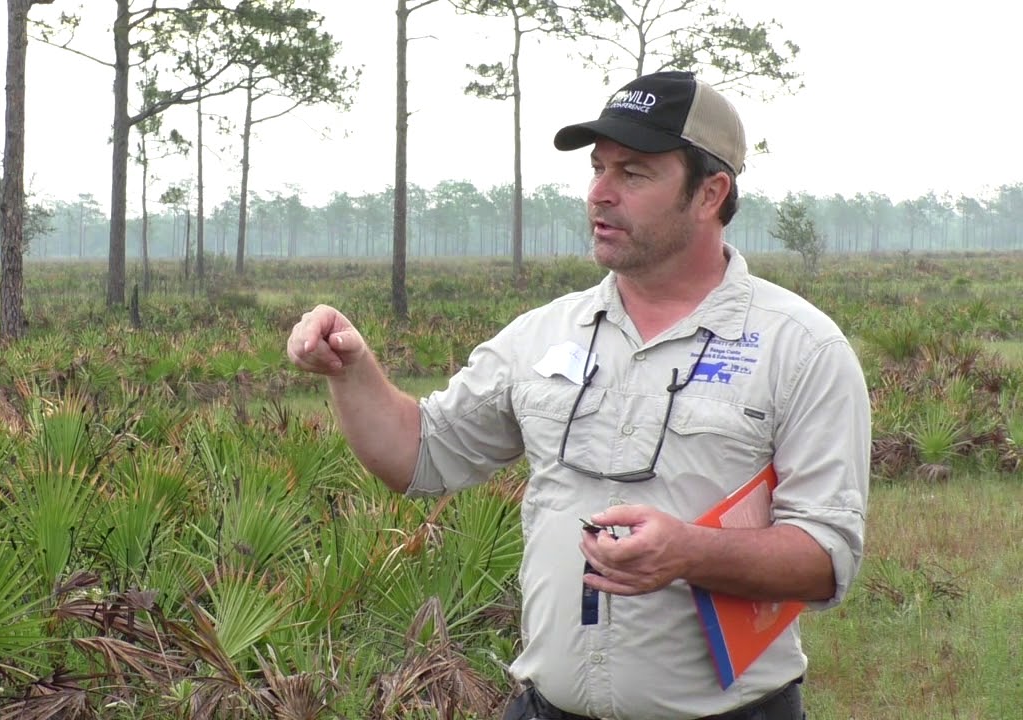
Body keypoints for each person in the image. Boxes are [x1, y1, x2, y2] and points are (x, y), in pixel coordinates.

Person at [286, 70, 869, 720]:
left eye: (633, 173)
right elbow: (419, 455)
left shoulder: (800, 348)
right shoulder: (543, 334)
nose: (599, 193)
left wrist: (688, 552)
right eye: (597, 169)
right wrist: (352, 369)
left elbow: (825, 555)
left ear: (711, 193)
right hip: (544, 707)